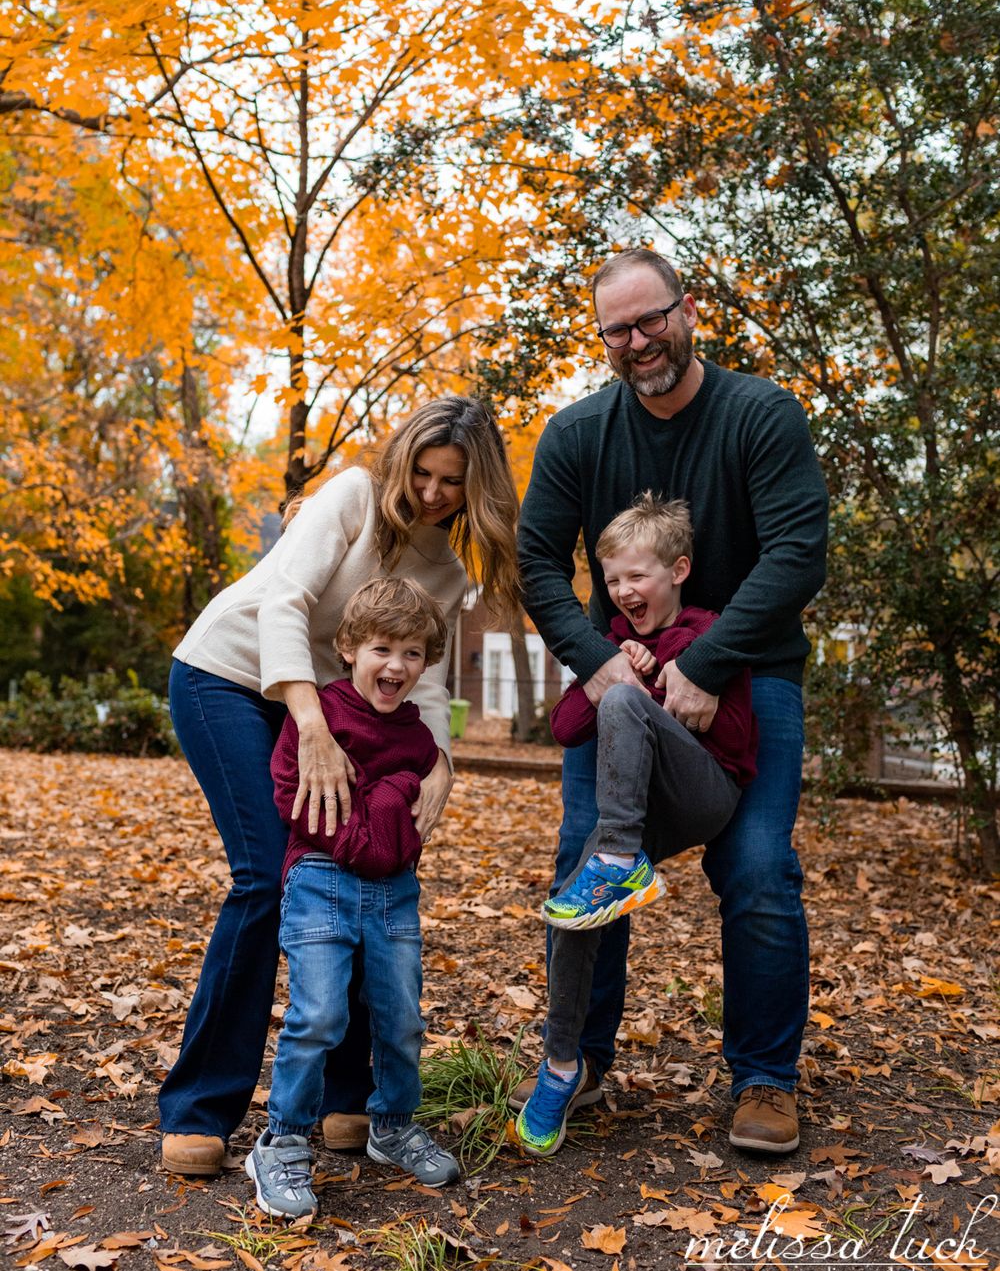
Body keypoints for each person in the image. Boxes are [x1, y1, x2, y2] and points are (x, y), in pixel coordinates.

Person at [517, 247, 828, 1154]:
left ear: (687, 311)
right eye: (618, 327)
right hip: (623, 681)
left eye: (652, 317)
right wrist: (596, 661)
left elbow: (796, 554)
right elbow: (538, 561)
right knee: (587, 868)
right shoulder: (578, 435)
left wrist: (708, 664)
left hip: (751, 678)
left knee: (761, 869)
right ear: (605, 337)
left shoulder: (758, 415)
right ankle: (578, 1064)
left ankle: (765, 1080)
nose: (638, 339)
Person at [161, 396, 520, 1176]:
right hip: (229, 677)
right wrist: (312, 724)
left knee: (374, 869)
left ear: (473, 487)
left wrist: (441, 761)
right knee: (267, 878)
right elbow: (285, 600)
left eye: (450, 482)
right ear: (401, 463)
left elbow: (420, 682)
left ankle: (348, 1099)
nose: (430, 493)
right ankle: (201, 1109)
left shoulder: (448, 572)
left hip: (331, 711)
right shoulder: (354, 495)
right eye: (421, 473)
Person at [515, 494, 755, 1157]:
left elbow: (733, 737)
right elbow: (567, 730)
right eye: (612, 580)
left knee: (623, 701)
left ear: (678, 570)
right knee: (568, 909)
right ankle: (562, 1064)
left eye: (636, 576)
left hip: (705, 791)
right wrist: (606, 665)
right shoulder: (620, 648)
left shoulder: (707, 635)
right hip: (639, 816)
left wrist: (645, 687)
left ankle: (617, 864)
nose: (623, 591)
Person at [246, 578, 461, 1220]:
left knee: (400, 1020)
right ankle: (281, 1142)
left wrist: (394, 793)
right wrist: (378, 810)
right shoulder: (320, 717)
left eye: (413, 653)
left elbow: (417, 808)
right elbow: (293, 795)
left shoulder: (420, 738)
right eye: (381, 648)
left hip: (395, 892)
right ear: (347, 647)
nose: (396, 666)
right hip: (320, 880)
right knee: (316, 1018)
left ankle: (391, 1125)